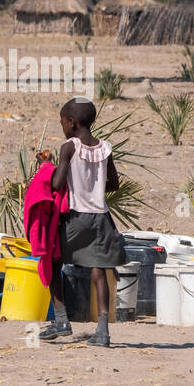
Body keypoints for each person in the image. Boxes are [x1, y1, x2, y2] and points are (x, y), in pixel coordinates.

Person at [39, 97, 126, 346]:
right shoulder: (105, 148)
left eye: (62, 123)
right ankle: (103, 331)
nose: (62, 127)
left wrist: (45, 165)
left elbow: (57, 184)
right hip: (101, 217)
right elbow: (113, 184)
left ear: (72, 122)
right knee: (98, 271)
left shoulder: (70, 146)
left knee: (53, 262)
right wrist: (93, 186)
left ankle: (62, 320)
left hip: (75, 217)